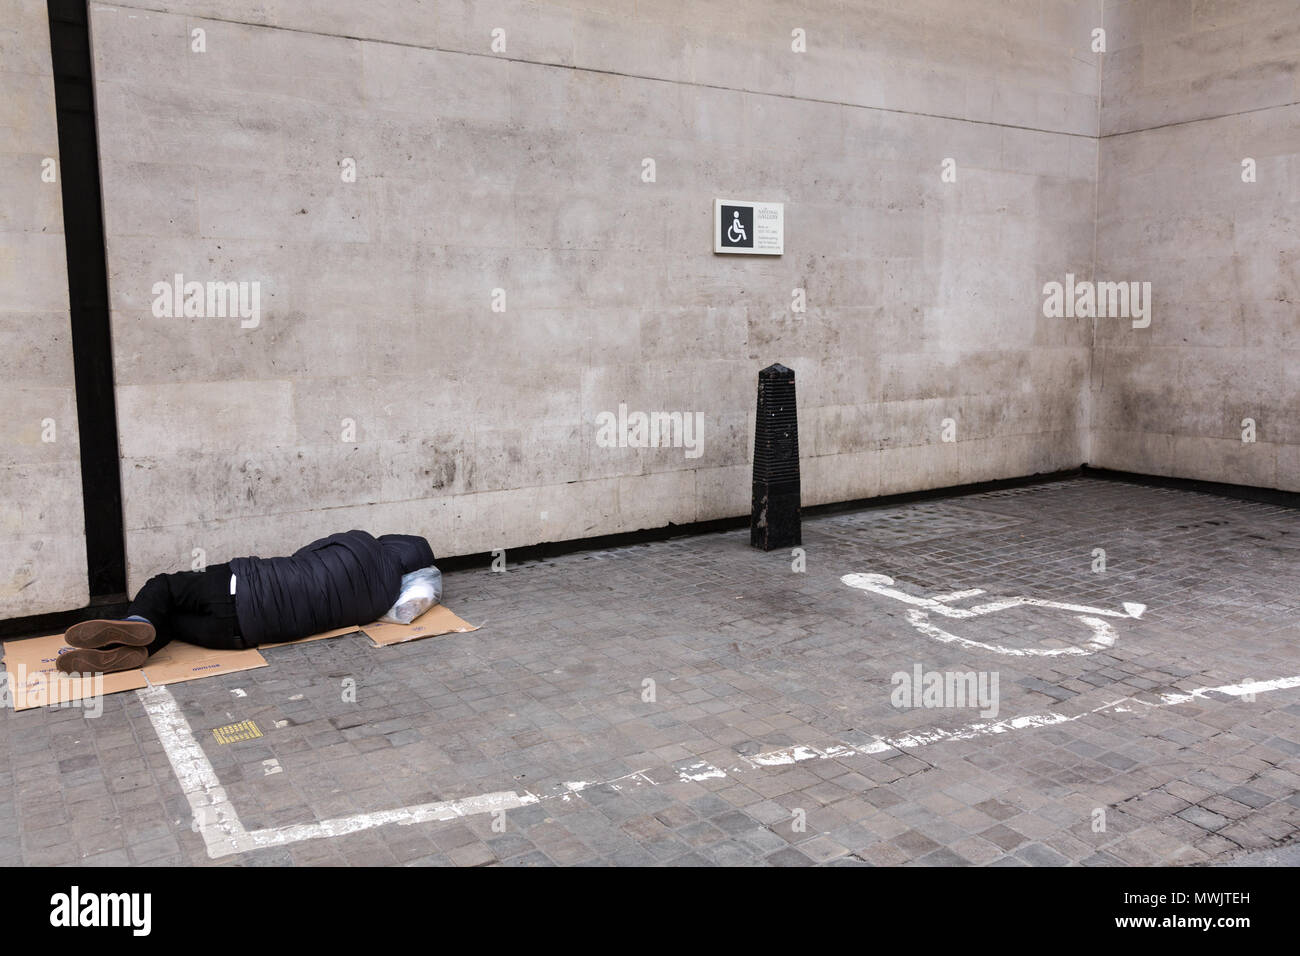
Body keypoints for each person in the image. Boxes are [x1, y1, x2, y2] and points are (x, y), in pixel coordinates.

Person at [57, 530, 435, 675]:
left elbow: (306, 551)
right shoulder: (381, 601)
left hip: (242, 585)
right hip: (242, 634)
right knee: (170, 623)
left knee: (164, 588)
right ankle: (129, 648)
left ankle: (136, 621)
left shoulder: (359, 540)